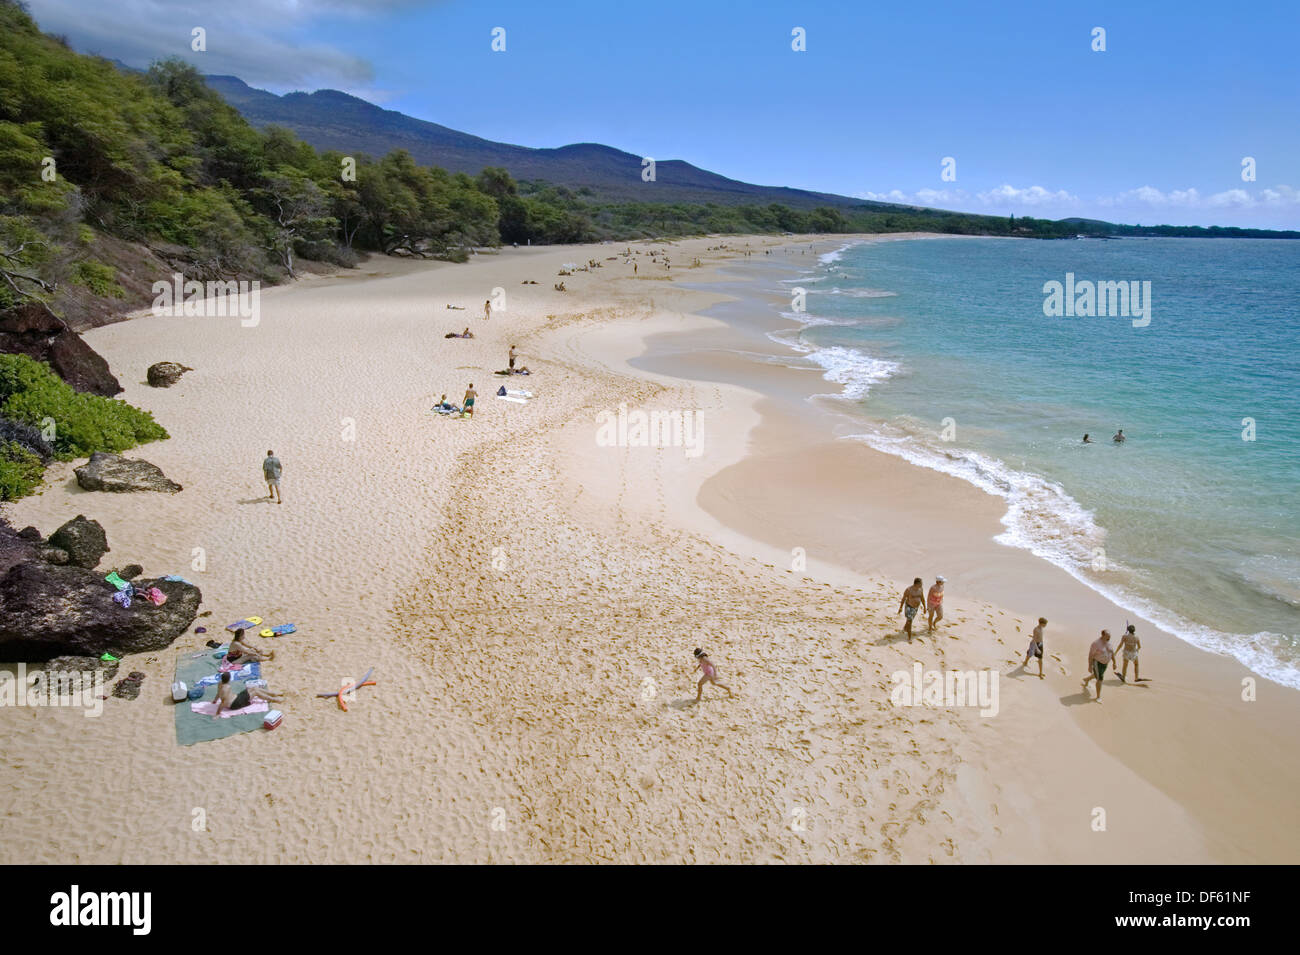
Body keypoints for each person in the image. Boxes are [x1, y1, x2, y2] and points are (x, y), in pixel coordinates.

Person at [212, 671, 283, 718]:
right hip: (236, 703)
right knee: (256, 692)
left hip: (237, 697)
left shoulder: (220, 683)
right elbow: (223, 702)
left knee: (254, 688)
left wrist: (215, 700)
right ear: (229, 679)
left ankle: (273, 694)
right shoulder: (226, 688)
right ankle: (274, 699)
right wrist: (217, 713)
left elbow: (218, 693)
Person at [1081, 630, 1114, 700]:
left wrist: (1114, 662)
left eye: (1110, 637)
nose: (1109, 638)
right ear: (1103, 635)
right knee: (1100, 679)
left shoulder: (1109, 642)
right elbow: (1090, 655)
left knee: (1097, 674)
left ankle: (1086, 679)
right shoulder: (1096, 644)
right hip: (1097, 663)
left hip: (1105, 664)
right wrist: (1089, 666)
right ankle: (1098, 697)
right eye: (1107, 637)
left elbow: (1112, 652)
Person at [898, 577, 925, 642]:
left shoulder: (921, 589)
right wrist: (900, 608)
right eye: (921, 583)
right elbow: (903, 599)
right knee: (910, 621)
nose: (922, 584)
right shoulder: (909, 590)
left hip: (916, 608)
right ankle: (909, 637)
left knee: (909, 619)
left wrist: (924, 607)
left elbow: (922, 598)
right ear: (917, 583)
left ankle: (905, 628)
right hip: (909, 607)